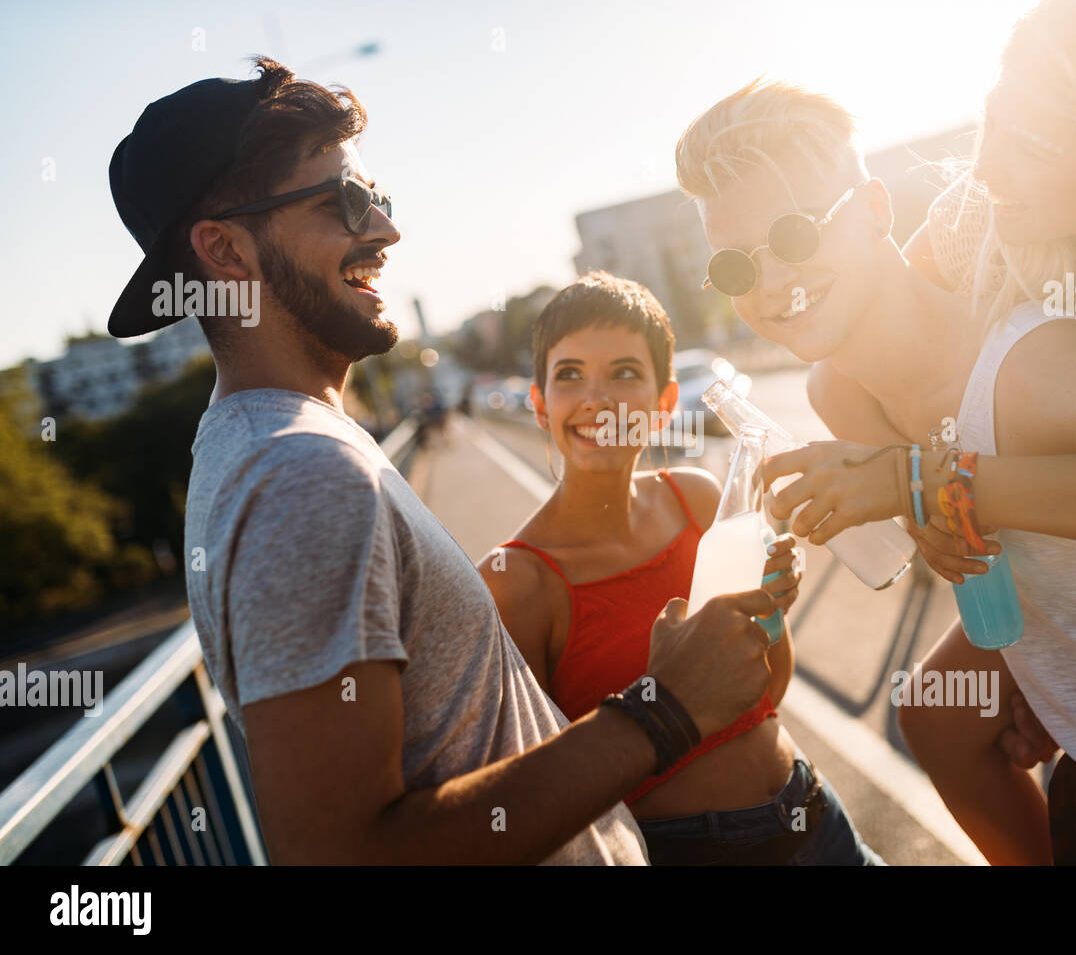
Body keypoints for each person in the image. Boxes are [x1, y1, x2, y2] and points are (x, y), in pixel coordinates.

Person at [675, 0, 1076, 864]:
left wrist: (921, 482)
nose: (991, 166)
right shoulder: (972, 228)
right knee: (936, 714)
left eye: (793, 234)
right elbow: (987, 532)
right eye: (734, 263)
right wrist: (937, 524)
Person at [108, 58, 778, 865]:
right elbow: (343, 856)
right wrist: (666, 710)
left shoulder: (285, 447)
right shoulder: (298, 475)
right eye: (344, 203)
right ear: (225, 250)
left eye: (378, 199)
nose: (384, 231)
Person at [477, 271, 883, 864]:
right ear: (539, 405)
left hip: (818, 818)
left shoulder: (696, 498)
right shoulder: (516, 581)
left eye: (624, 373)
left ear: (664, 403)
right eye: (570, 375)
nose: (597, 399)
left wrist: (770, 615)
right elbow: (536, 798)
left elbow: (765, 691)